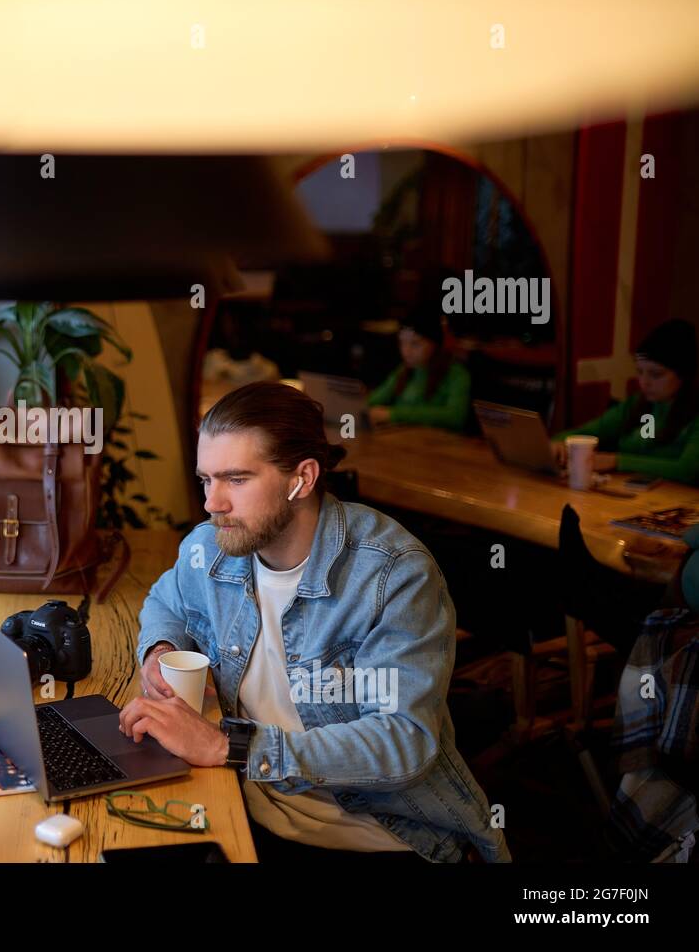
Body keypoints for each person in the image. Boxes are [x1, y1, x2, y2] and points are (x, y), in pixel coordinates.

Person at [119, 381, 510, 863]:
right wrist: (158, 650)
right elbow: (165, 600)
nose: (211, 503)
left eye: (236, 480)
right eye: (206, 479)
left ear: (301, 479)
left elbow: (404, 741)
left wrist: (230, 747)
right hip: (249, 808)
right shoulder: (210, 547)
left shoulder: (393, 573)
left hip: (374, 837)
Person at [550, 319, 699, 485]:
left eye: (656, 374)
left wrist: (616, 461)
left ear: (684, 374)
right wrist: (558, 442)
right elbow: (589, 431)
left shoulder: (694, 415)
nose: (644, 382)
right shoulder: (637, 404)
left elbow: (687, 470)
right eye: (640, 372)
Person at [366, 303, 471, 432]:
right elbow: (374, 400)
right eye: (402, 343)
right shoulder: (404, 370)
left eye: (415, 344)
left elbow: (454, 417)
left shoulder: (457, 374)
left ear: (435, 343)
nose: (406, 351)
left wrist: (393, 414)